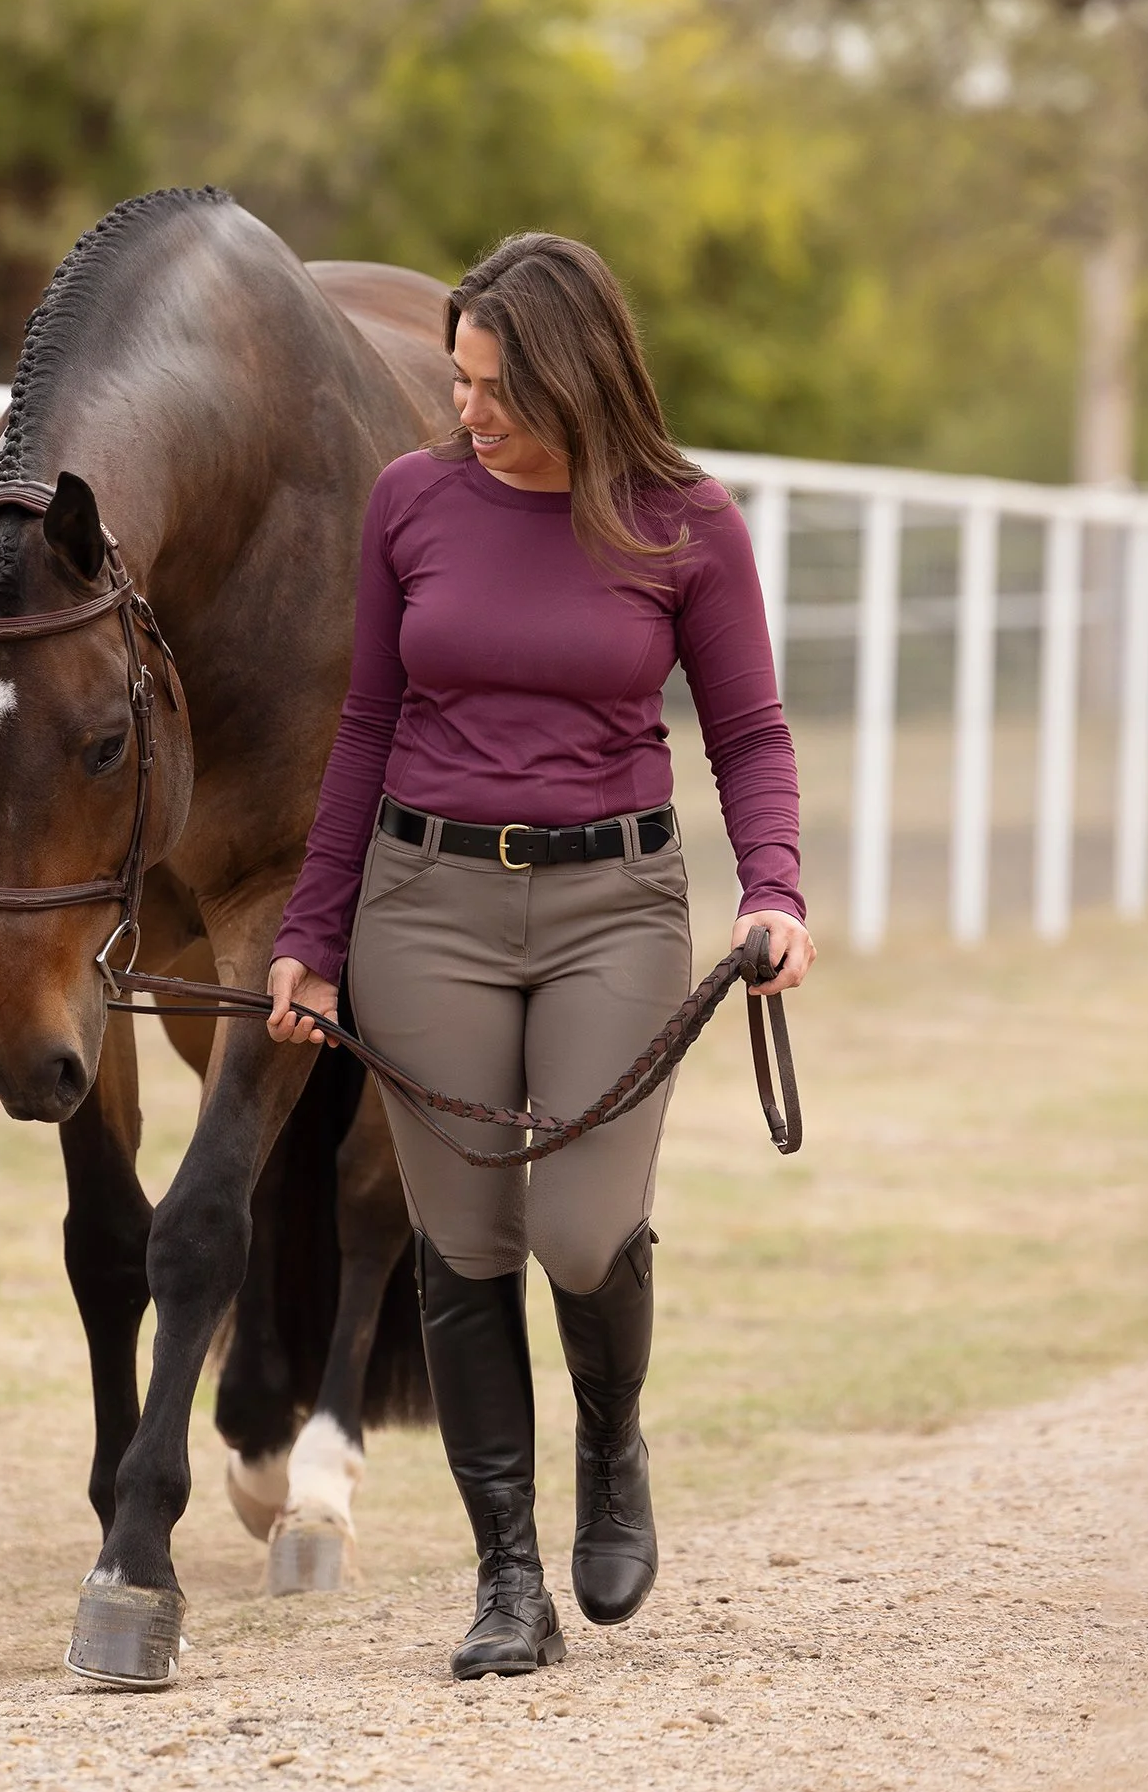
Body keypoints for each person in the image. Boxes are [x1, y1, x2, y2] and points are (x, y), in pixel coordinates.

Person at [265, 232, 814, 1681]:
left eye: (494, 384)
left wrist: (777, 888)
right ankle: (508, 1576)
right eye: (457, 379)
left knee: (580, 1227)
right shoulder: (410, 504)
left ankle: (611, 1439)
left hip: (614, 908)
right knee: (463, 1241)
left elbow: (750, 734)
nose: (466, 409)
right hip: (424, 901)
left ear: (576, 377)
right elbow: (365, 727)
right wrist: (313, 937)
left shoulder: (684, 522)